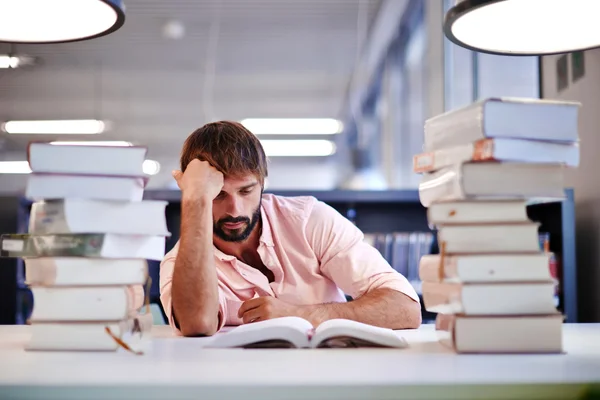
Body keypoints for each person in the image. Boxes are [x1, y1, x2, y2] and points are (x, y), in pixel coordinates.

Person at [158, 121, 421, 336]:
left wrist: (300, 314)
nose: (235, 210)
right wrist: (194, 200)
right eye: (218, 195)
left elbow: (406, 307)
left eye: (246, 190)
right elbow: (196, 324)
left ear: (263, 183)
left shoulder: (309, 219)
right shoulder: (179, 264)